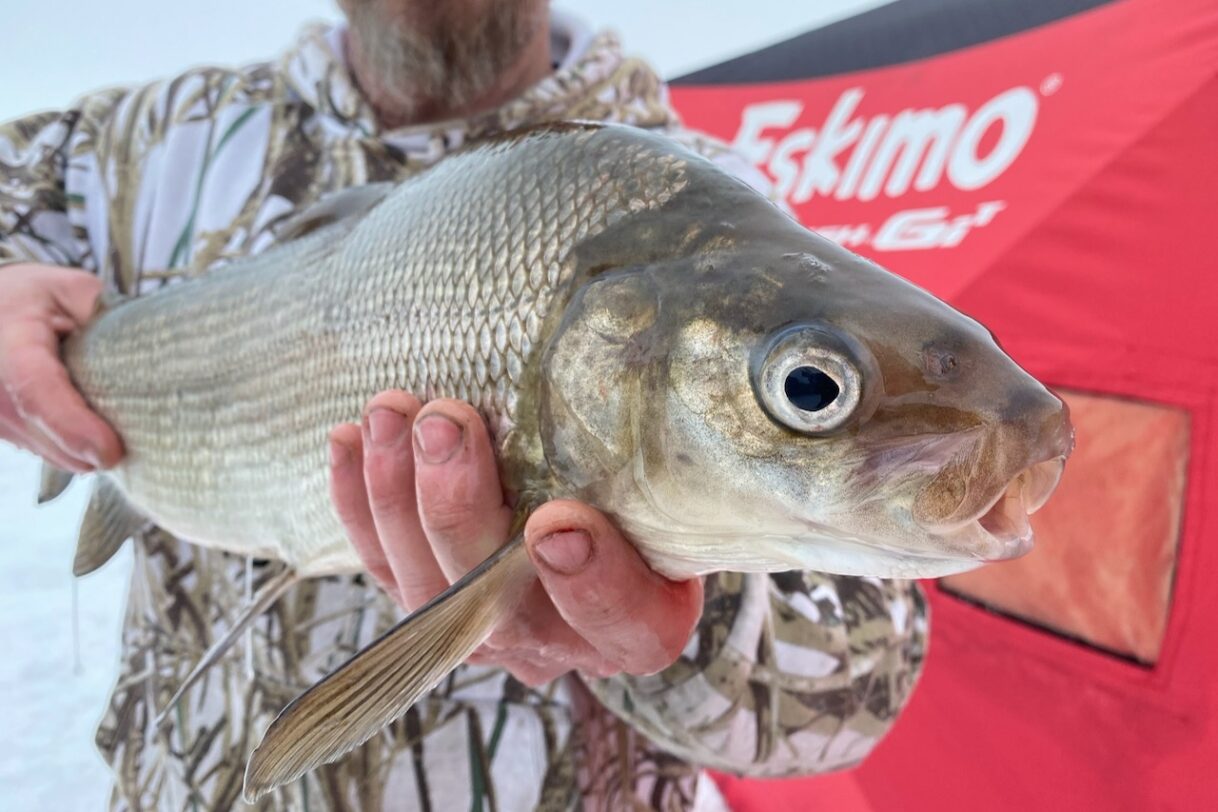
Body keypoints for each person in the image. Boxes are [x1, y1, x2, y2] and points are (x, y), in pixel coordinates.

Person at [0, 2, 928, 809]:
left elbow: (857, 688)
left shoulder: (724, 208)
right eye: (809, 386)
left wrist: (670, 611)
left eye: (809, 388)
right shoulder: (137, 144)